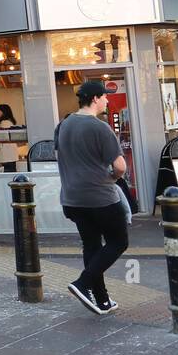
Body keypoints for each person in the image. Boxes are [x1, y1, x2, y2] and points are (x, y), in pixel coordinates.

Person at [55, 80, 129, 315]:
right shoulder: (99, 127)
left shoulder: (64, 124)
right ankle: (83, 283)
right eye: (105, 96)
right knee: (119, 242)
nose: (107, 99)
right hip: (100, 197)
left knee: (92, 245)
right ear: (95, 99)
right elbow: (120, 167)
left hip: (72, 198)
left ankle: (102, 300)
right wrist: (113, 177)